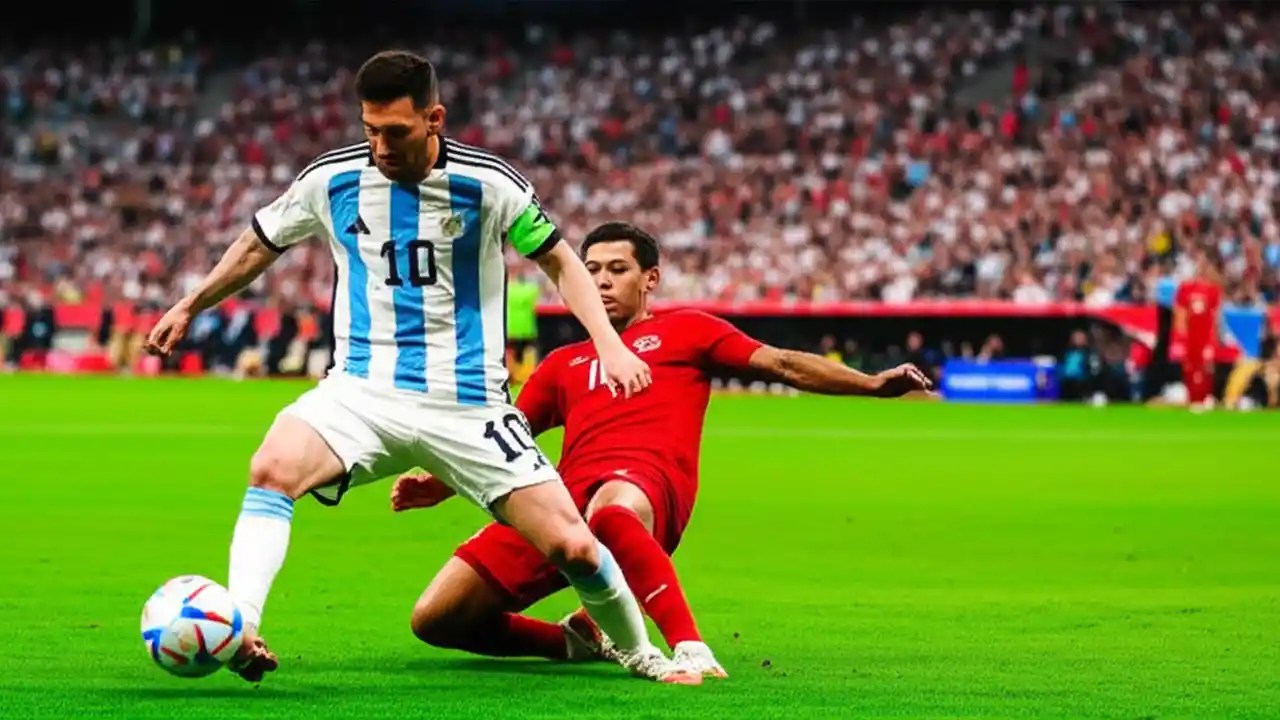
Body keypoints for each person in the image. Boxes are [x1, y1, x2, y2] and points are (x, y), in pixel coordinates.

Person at [143, 51, 695, 685]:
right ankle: (240, 625)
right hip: (361, 391)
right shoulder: (331, 180)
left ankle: (639, 651)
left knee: (573, 546)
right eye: (369, 129)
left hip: (468, 404)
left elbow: (563, 262)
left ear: (434, 119)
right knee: (272, 467)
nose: (379, 146)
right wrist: (191, 302)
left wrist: (609, 344)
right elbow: (258, 244)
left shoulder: (489, 184)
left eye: (396, 132)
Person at [390, 221, 932, 677]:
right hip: (562, 502)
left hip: (643, 488)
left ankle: (688, 646)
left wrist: (870, 385)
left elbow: (782, 364)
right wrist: (436, 485)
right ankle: (580, 642)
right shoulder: (563, 365)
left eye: (617, 269)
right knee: (436, 618)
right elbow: (508, 436)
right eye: (592, 270)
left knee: (612, 508)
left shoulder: (689, 332)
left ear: (650, 279)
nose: (601, 282)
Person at [1174, 254, 1223, 410]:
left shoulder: (1213, 290)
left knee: (1206, 367)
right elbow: (1180, 314)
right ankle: (1192, 398)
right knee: (1189, 367)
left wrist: (1214, 339)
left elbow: (1216, 317)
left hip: (1205, 335)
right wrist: (1181, 336)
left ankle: (1204, 397)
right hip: (1191, 336)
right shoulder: (1185, 288)